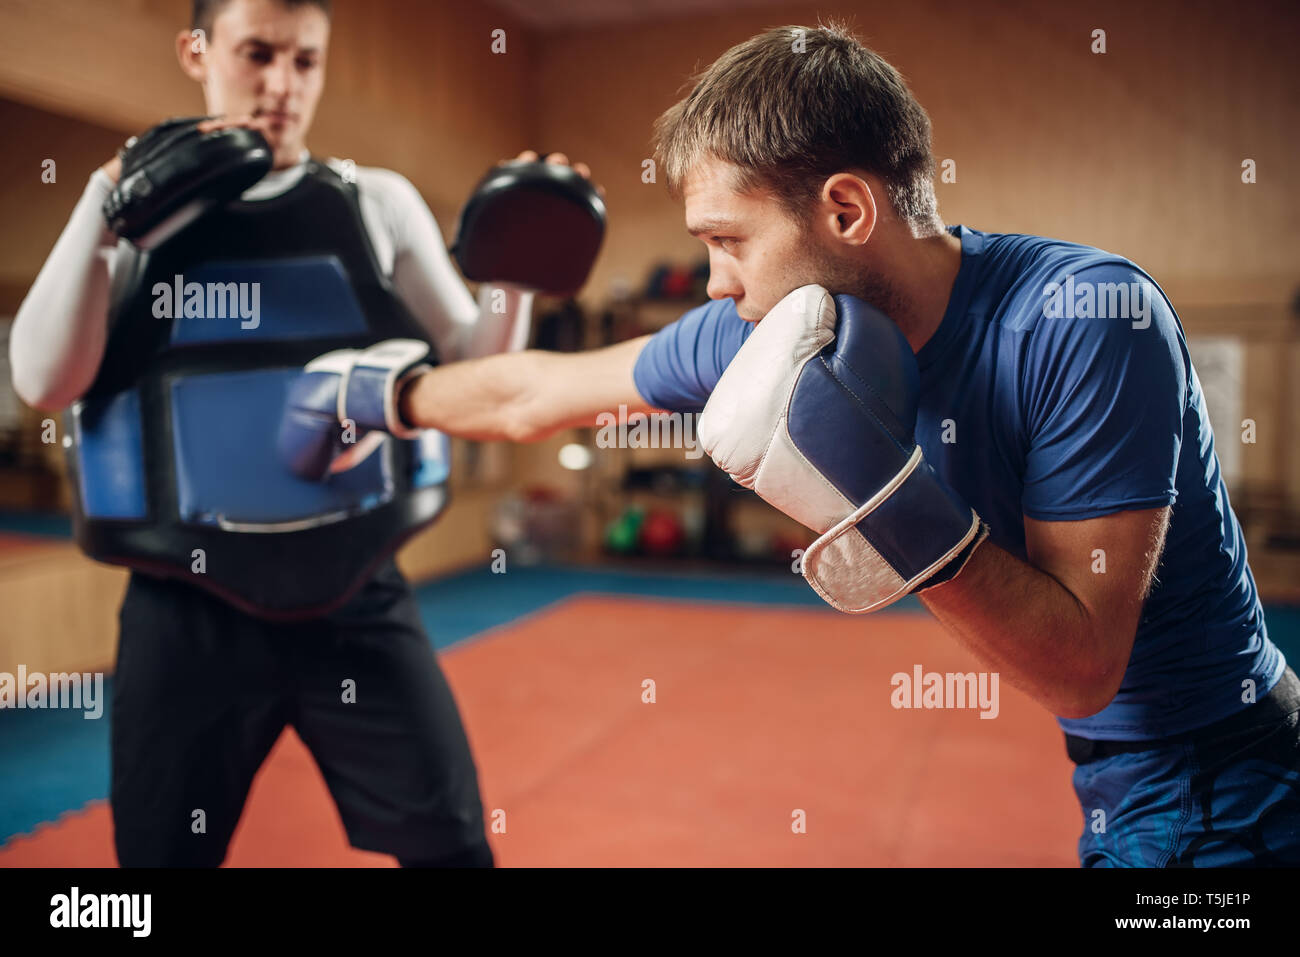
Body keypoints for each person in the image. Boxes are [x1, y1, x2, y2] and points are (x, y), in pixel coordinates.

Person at [296, 22, 1299, 866]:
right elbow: (536, 390)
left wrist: (892, 503)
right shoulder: (764, 326)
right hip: (1117, 777)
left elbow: (1082, 666)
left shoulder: (1085, 318)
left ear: (848, 210)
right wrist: (379, 396)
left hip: (1223, 781)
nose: (713, 283)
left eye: (728, 240)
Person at [9, 0, 597, 867]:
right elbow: (43, 380)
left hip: (356, 591)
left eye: (305, 60)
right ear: (196, 51)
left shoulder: (376, 204)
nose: (282, 85)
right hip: (186, 607)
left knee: (456, 847)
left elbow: (472, 365)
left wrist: (512, 274)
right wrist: (104, 204)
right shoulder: (138, 222)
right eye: (258, 53)